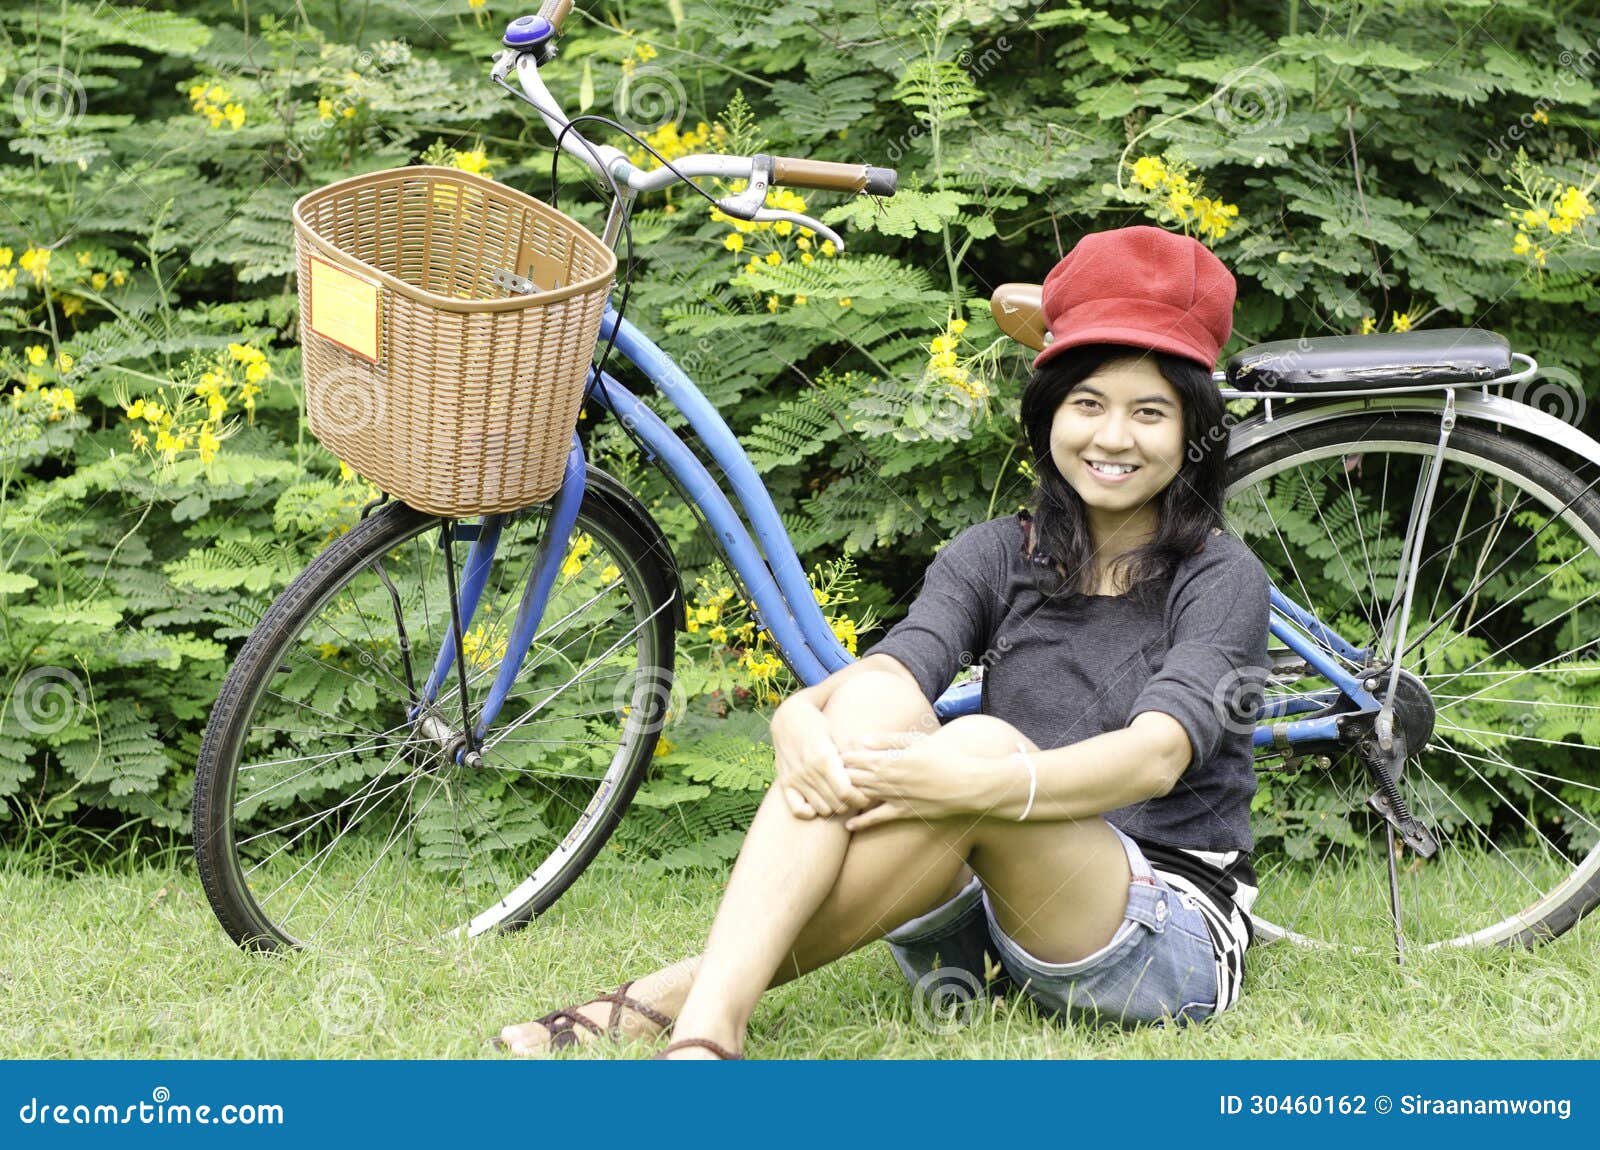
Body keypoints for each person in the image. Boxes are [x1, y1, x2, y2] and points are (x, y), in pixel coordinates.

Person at [494, 224, 1271, 1059]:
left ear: (1194, 430)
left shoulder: (1220, 577)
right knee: (869, 703)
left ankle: (679, 1011)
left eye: (1149, 413)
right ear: (1050, 413)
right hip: (984, 914)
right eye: (1089, 404)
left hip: (1158, 933)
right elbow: (892, 673)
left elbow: (1155, 759)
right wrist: (800, 717)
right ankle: (707, 1035)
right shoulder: (994, 553)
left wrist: (983, 775)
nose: (1113, 438)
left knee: (973, 744)